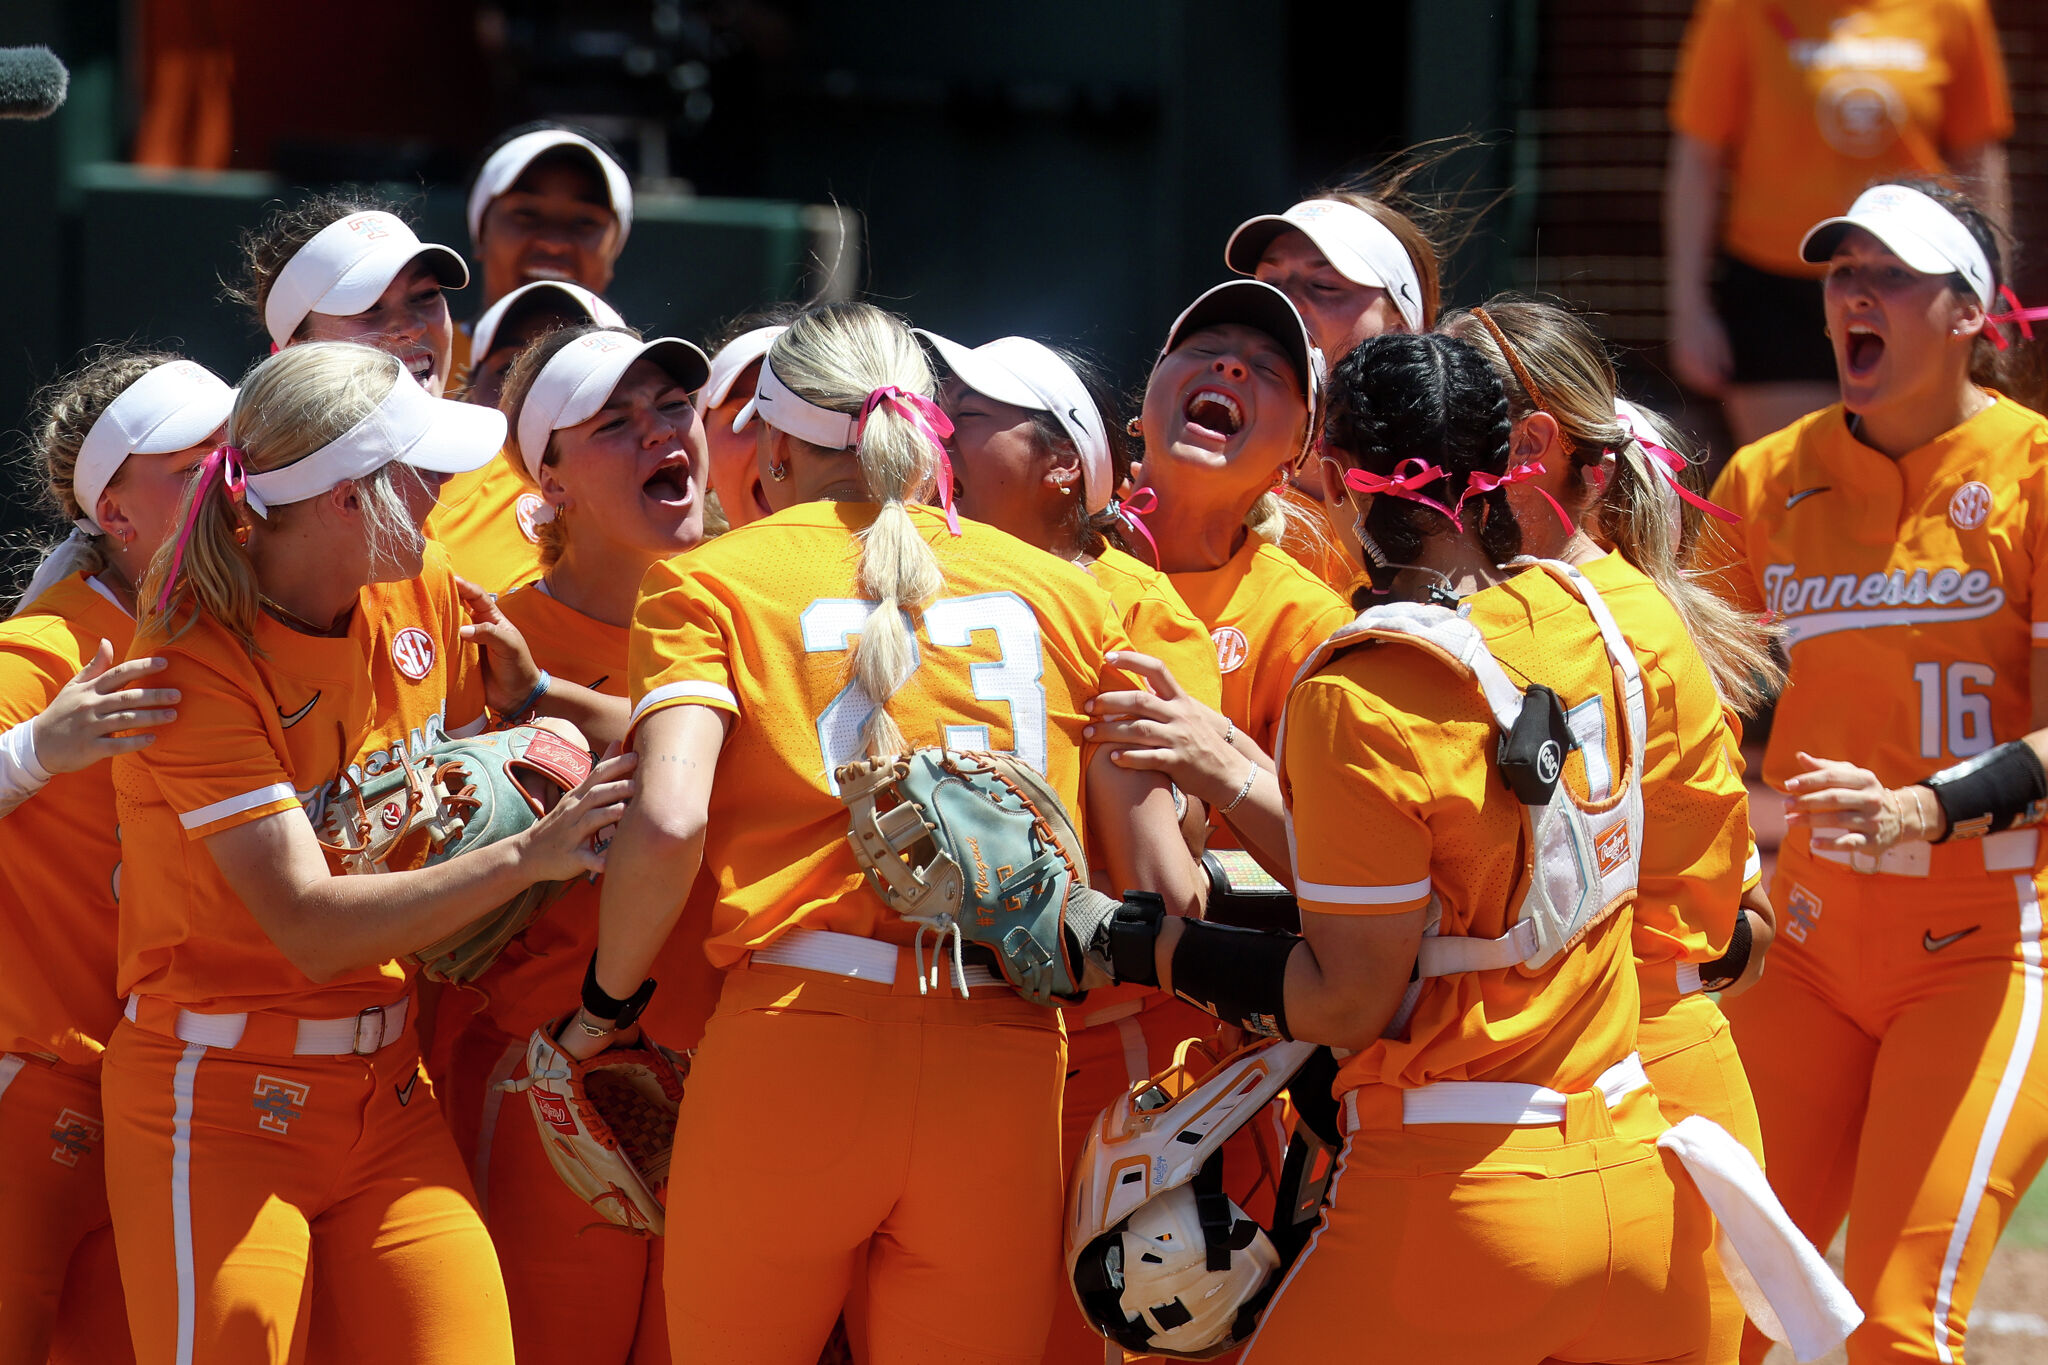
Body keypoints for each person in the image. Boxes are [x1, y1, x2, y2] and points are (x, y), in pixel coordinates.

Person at [554, 301, 1199, 1365]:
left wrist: (606, 1005)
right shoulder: (1066, 595)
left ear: (768, 444)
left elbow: (667, 819)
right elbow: (1150, 881)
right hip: (1001, 1056)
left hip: (794, 1036)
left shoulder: (710, 580)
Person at [1117, 330, 1721, 1361]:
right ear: (1507, 461)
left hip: (1461, 1193)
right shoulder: (1607, 616)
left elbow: (1350, 996)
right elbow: (1475, 873)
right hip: (1638, 1176)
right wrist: (1227, 760)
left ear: (1334, 478)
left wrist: (1135, 943)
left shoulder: (1362, 685)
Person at [99, 341, 635, 1365]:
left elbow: (471, 777)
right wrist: (529, 862)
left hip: (389, 1089)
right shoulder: (189, 660)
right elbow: (306, 926)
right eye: (421, 472)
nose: (445, 493)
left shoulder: (417, 586)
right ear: (349, 498)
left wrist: (535, 705)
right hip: (213, 1099)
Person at [1701, 178, 2048, 1363]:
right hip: (1803, 944)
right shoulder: (1759, 482)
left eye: (1889, 274)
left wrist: (1925, 805)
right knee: (1714, 1310)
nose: (1853, 293)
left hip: (1986, 949)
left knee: (1898, 1327)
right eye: (1841, 271)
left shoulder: (2033, 472)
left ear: (1968, 313)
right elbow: (1705, 716)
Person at [1441, 298, 1781, 1364]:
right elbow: (1745, 925)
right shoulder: (1625, 607)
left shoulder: (1548, 623)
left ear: (1535, 445)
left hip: (1608, 1065)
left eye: (1446, 413)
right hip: (1650, 1053)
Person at [921, 329, 1221, 1365]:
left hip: (1105, 1042)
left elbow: (1162, 863)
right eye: (935, 402)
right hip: (944, 1041)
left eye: (970, 410)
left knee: (1088, 1338)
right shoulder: (906, 581)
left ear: (1062, 466)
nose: (938, 424)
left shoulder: (1129, 606)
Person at [433, 323, 711, 1365]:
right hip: (542, 1065)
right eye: (614, 423)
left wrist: (551, 704)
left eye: (672, 407)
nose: (659, 434)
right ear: (544, 475)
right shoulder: (491, 645)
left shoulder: (750, 604)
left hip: (726, 1069)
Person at [0, 351, 229, 1364]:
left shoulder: (244, 635)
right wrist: (40, 748)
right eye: (192, 467)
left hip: (167, 1100)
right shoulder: (52, 647)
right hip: (34, 1082)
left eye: (235, 455)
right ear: (118, 516)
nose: (230, 481)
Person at [1090, 280, 1352, 886]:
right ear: (1145, 404)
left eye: (1268, 369)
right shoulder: (1048, 552)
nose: (1231, 365)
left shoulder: (1307, 625)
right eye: (1204, 346)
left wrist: (1214, 765)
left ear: (1295, 456)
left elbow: (1345, 867)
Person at [1665, 0, 2013, 445]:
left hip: (1913, 287)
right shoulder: (1739, 9)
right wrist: (1689, 306)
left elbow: (1979, 154)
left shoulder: (1955, 9)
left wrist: (1990, 287)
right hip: (1775, 288)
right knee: (1797, 482)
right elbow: (1698, 157)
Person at [429, 280, 626, 593]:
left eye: (569, 374)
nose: (532, 391)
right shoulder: (425, 490)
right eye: (510, 368)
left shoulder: (663, 502)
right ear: (469, 386)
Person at [226, 192, 470, 399]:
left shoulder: (496, 452)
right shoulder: (264, 455)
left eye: (426, 295)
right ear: (297, 347)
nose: (412, 327)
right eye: (369, 307)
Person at [699, 314, 797, 532]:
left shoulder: (890, 564)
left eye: (803, 412)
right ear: (700, 455)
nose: (777, 439)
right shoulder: (675, 566)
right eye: (750, 415)